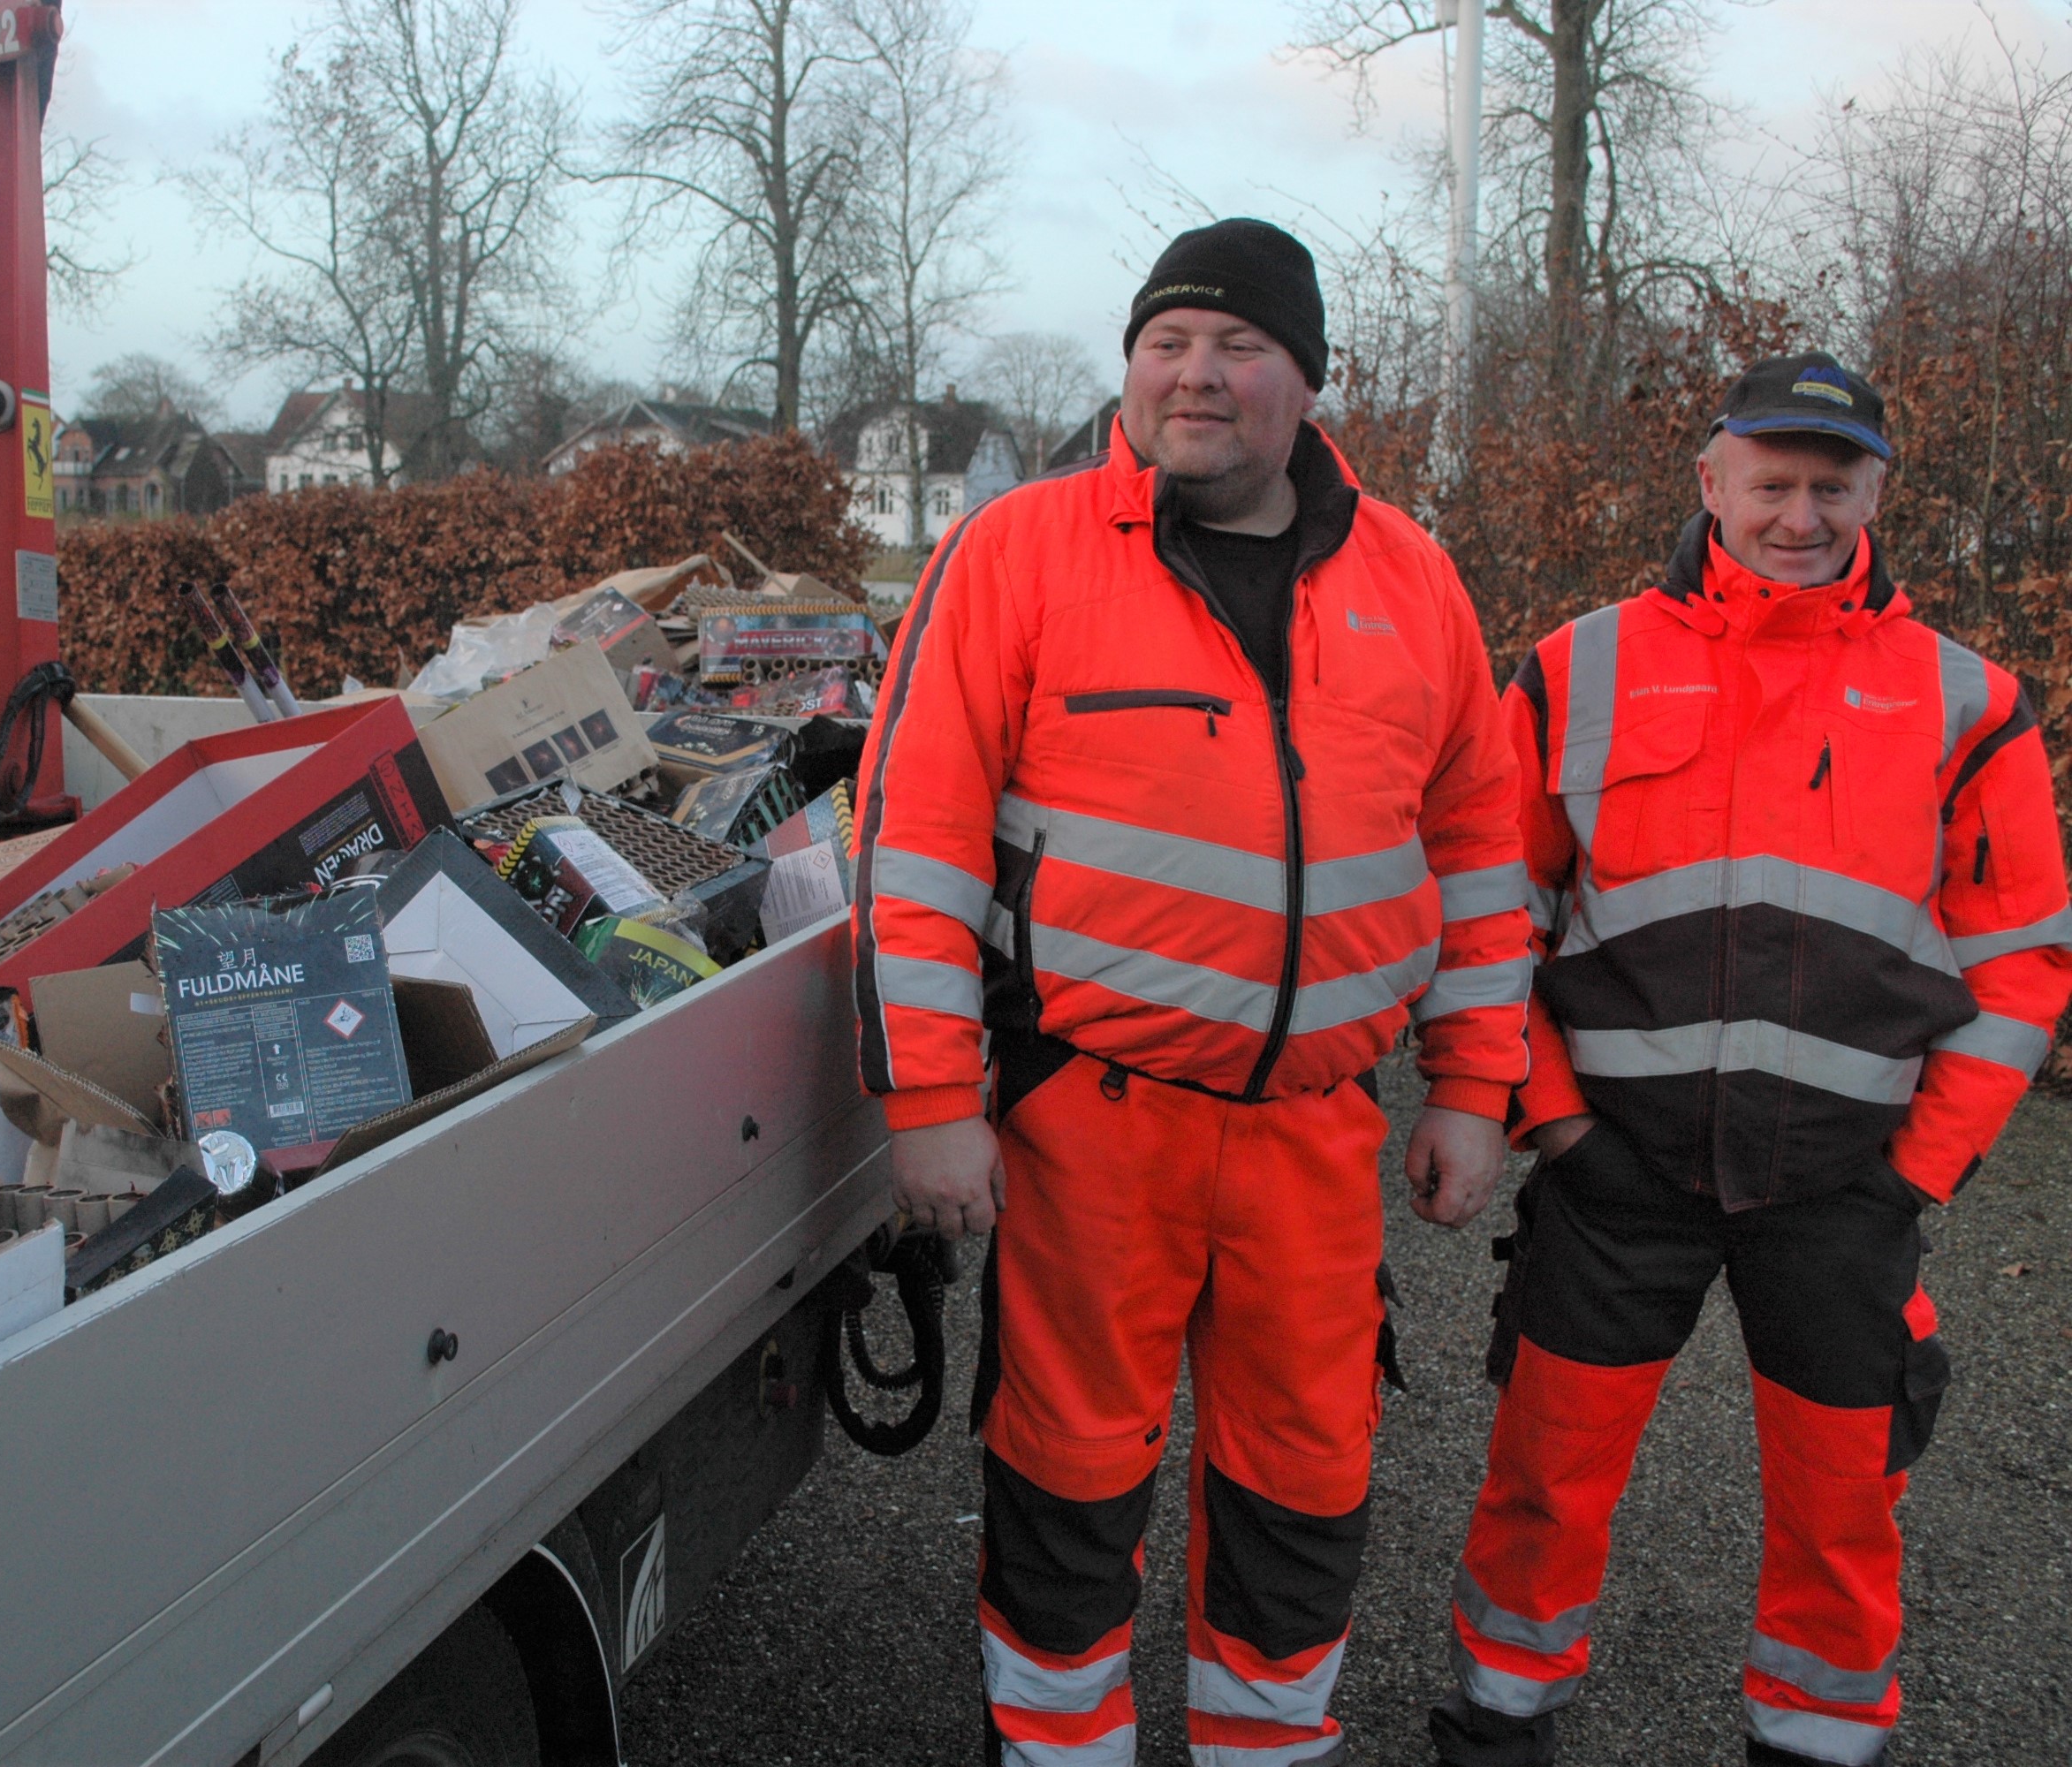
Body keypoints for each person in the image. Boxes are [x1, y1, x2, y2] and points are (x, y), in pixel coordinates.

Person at [849, 216, 1533, 1767]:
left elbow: (1482, 848)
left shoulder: (1414, 581)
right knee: (1066, 1477)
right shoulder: (1017, 553)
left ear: (1309, 381)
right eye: (1167, 343)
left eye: (1238, 346)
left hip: (1313, 1143)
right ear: (1131, 368)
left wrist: (1479, 1089)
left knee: (1305, 1485)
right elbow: (918, 839)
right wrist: (934, 1101)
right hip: (1092, 1125)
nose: (1196, 376)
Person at [1431, 353, 2072, 1767]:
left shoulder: (1970, 703)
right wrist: (1551, 1123)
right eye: (1771, 483)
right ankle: (1496, 1722)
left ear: (1876, 494)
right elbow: (1492, 916)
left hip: (1848, 1188)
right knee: (1544, 1478)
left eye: (1830, 486)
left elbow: (2024, 959)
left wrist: (1922, 1165)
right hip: (1614, 1173)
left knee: (1847, 1506)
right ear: (1711, 480)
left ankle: (1818, 1742)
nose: (1799, 515)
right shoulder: (1576, 667)